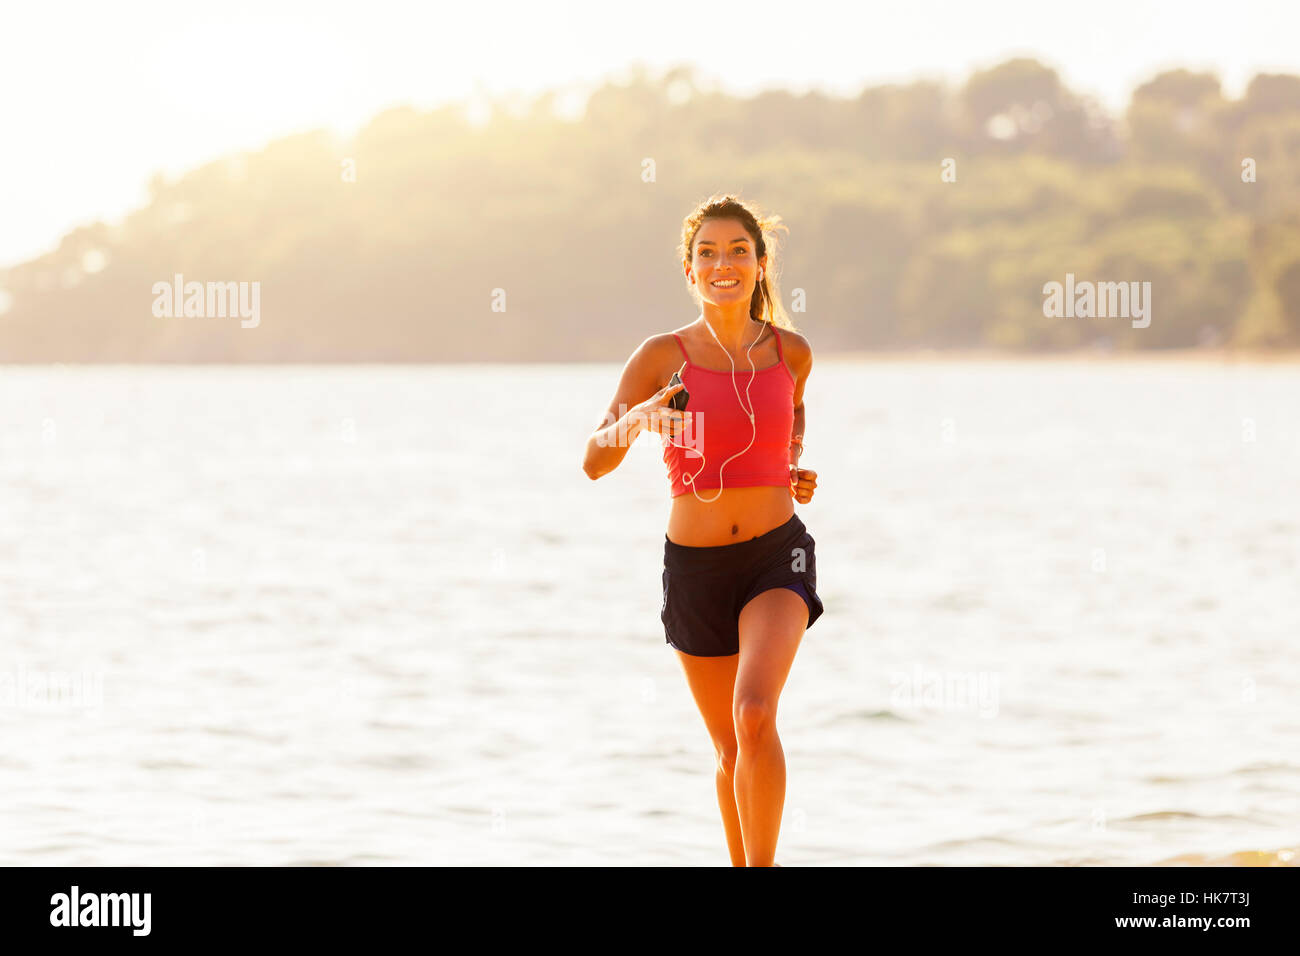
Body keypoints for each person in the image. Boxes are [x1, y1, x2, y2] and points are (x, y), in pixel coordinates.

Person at [583, 194, 823, 867]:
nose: (725, 263)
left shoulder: (791, 352)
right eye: (708, 253)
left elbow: (791, 425)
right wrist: (642, 417)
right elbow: (594, 460)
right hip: (695, 568)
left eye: (739, 250)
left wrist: (792, 471)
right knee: (727, 746)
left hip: (778, 557)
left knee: (754, 715)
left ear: (761, 262)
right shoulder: (663, 355)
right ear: (689, 269)